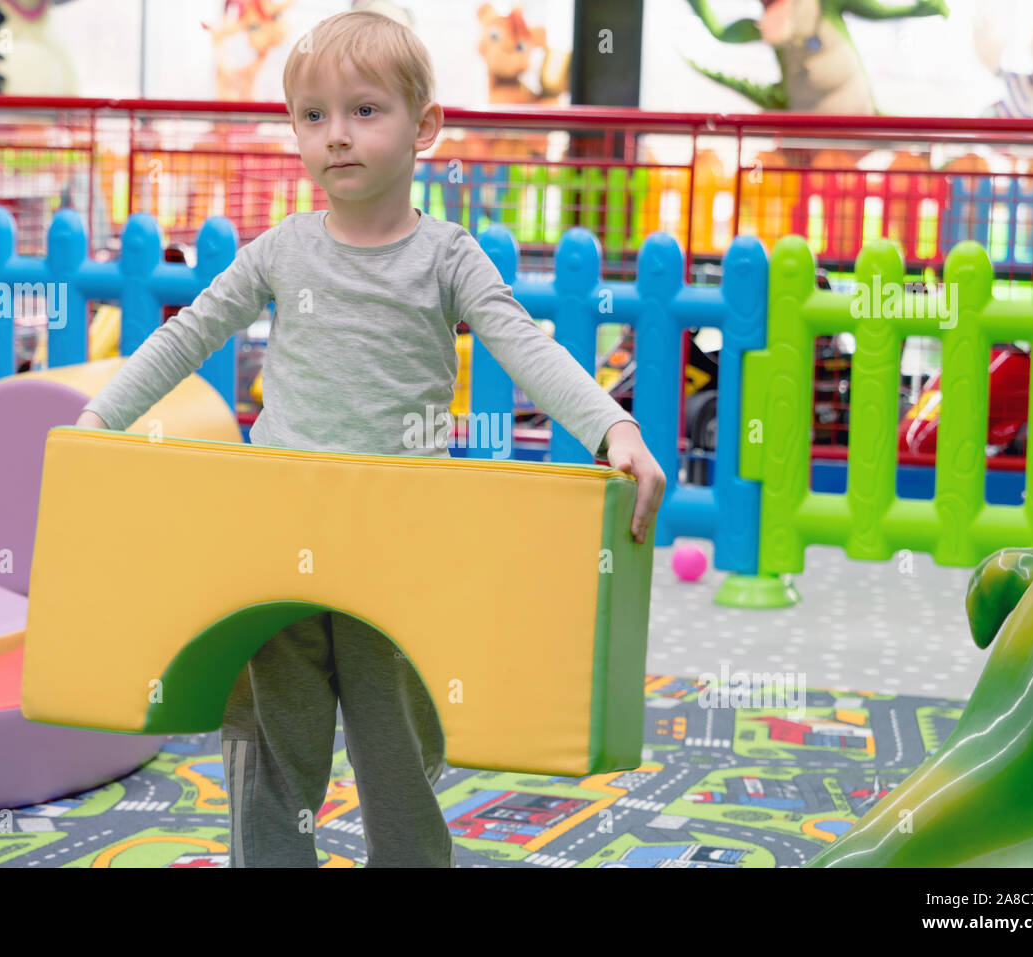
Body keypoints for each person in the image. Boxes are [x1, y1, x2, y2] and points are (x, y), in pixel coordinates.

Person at [74, 9, 665, 868]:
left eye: (364, 111)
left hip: (397, 547)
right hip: (280, 539)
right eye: (313, 116)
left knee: (398, 761)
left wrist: (612, 425)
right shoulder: (282, 251)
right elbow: (187, 335)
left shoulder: (448, 258)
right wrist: (99, 420)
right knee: (275, 755)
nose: (336, 137)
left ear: (426, 127)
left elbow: (525, 345)